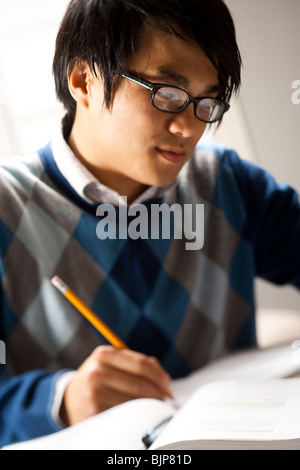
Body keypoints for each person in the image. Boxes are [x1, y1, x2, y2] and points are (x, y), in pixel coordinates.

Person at [0, 0, 299, 448]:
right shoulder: (7, 208)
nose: (188, 128)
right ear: (83, 80)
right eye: (167, 93)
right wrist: (61, 400)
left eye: (207, 102)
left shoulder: (228, 183)